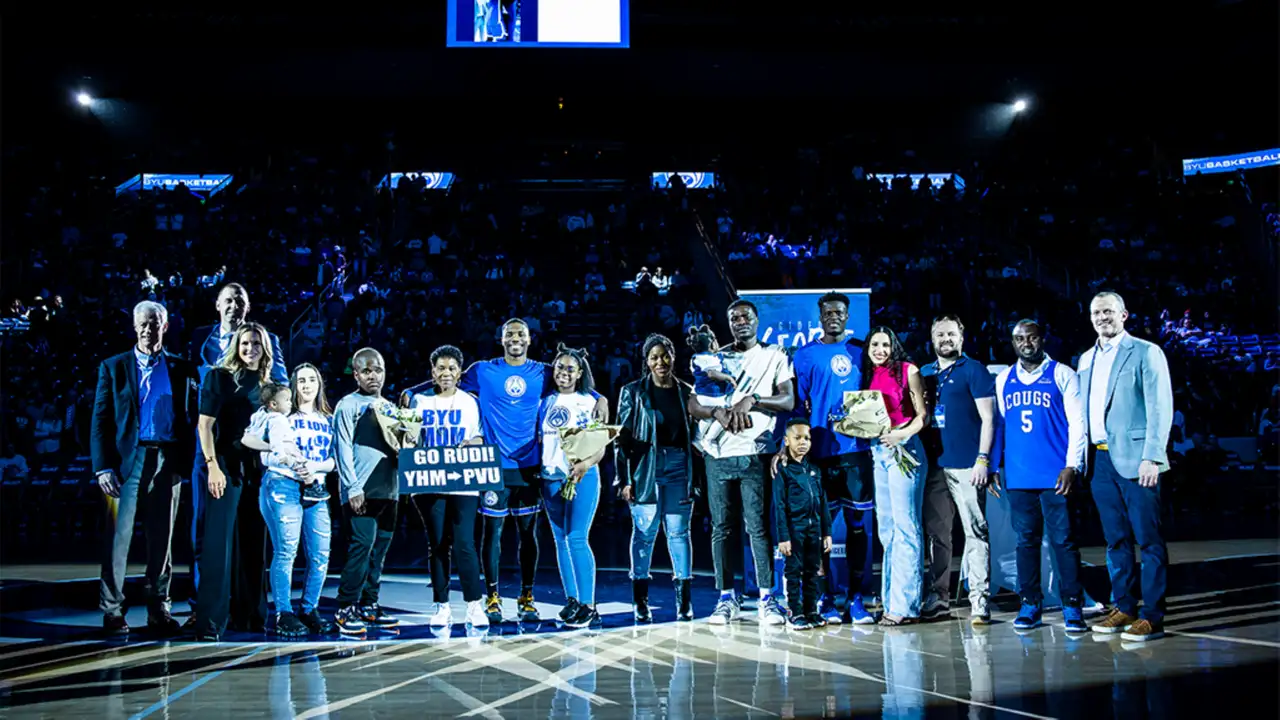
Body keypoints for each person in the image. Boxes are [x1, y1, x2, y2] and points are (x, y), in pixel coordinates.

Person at [91, 301, 199, 635]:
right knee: (117, 539)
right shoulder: (113, 367)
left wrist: (184, 463)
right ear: (134, 326)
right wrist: (102, 467)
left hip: (167, 460)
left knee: (162, 539)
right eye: (143, 323)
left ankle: (159, 609)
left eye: (155, 323)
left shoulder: (183, 368)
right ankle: (112, 610)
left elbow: (191, 419)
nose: (149, 329)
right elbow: (101, 419)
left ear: (165, 326)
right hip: (127, 461)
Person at [687, 300, 795, 626]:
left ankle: (767, 599)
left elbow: (788, 400)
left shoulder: (774, 356)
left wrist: (755, 399)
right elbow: (694, 403)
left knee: (758, 528)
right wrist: (716, 412)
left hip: (756, 451)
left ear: (757, 320)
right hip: (718, 452)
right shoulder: (714, 358)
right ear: (728, 323)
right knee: (721, 528)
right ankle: (726, 599)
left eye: (746, 316)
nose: (740, 322)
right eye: (734, 318)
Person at [1078, 292, 1173, 642]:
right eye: (1096, 312)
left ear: (1124, 315)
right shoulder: (1086, 359)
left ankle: (1152, 614)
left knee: (1148, 539)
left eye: (1108, 311)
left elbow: (1160, 407)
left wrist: (1154, 455)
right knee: (1115, 539)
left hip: (1138, 459)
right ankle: (1124, 606)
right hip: (1100, 459)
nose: (1102, 317)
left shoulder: (1146, 352)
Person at [188, 283, 286, 622]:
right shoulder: (217, 377)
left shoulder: (269, 385)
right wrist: (213, 466)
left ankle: (252, 615)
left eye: (256, 344)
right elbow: (204, 426)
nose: (251, 348)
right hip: (224, 465)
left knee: (254, 543)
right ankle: (211, 617)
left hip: (258, 470)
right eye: (245, 343)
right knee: (217, 543)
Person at [778, 292, 876, 625]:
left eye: (840, 312)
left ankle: (857, 598)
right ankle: (825, 598)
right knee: (818, 530)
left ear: (848, 317)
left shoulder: (861, 353)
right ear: (820, 316)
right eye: (828, 311)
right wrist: (787, 445)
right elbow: (798, 406)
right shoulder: (804, 356)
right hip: (820, 454)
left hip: (856, 453)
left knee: (858, 529)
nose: (834, 316)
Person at [455, 319, 559, 624]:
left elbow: (574, 381)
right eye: (510, 333)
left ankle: (527, 597)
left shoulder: (543, 371)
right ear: (501, 339)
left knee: (529, 534)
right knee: (493, 533)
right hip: (493, 463)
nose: (515, 338)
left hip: (528, 466)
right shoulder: (482, 370)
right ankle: (493, 598)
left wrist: (599, 398)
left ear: (529, 339)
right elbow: (446, 383)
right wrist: (413, 390)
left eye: (521, 334)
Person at [995, 320, 1089, 634]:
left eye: (1031, 337)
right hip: (1020, 476)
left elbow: (1078, 423)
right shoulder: (1005, 378)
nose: (1025, 343)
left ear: (1042, 339)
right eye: (1019, 338)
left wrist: (1072, 465)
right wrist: (996, 465)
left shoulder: (1063, 374)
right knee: (1026, 543)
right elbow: (1001, 426)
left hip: (1056, 475)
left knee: (1063, 541)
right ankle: (1030, 603)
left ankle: (1072, 605)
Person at [244, 367, 337, 638]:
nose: (307, 385)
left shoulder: (328, 419)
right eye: (301, 380)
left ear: (320, 384)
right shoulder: (277, 414)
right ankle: (284, 614)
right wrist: (292, 464)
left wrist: (313, 466)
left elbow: (334, 461)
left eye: (312, 379)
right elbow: (262, 451)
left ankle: (310, 610)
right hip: (283, 485)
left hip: (316, 487)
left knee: (321, 554)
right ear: (293, 385)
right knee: (286, 551)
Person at [920, 315, 996, 624]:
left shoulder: (975, 370)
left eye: (951, 333)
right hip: (935, 467)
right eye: (940, 334)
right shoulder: (924, 373)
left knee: (975, 532)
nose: (946, 339)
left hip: (968, 466)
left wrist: (983, 460)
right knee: (938, 535)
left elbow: (990, 419)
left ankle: (979, 600)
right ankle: (940, 597)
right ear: (932, 338)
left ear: (961, 338)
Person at [616, 334, 696, 623]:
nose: (660, 362)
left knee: (678, 533)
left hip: (678, 466)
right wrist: (624, 478)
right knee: (645, 533)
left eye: (665, 356)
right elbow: (621, 439)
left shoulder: (687, 391)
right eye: (654, 357)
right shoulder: (633, 392)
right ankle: (640, 602)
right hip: (645, 468)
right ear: (646, 361)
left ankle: (684, 602)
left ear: (673, 357)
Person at [408, 345, 490, 629]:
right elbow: (410, 439)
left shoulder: (470, 402)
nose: (446, 373)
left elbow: (479, 437)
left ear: (459, 373)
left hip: (463, 480)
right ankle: (441, 606)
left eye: (452, 368)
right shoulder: (418, 401)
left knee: (465, 543)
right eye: (440, 368)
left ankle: (473, 605)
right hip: (429, 481)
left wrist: (471, 444)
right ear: (432, 372)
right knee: (438, 544)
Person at [538, 344, 608, 629]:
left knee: (577, 538)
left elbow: (601, 445)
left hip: (581, 476)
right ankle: (573, 600)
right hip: (550, 478)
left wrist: (584, 465)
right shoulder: (545, 401)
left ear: (580, 373)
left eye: (570, 368)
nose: (563, 372)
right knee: (561, 541)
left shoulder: (590, 402)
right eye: (559, 367)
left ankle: (589, 606)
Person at [863, 326, 928, 626]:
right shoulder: (868, 375)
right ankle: (891, 601)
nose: (880, 350)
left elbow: (922, 416)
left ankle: (906, 606)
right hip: (879, 452)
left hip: (905, 451)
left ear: (894, 346)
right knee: (887, 529)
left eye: (885, 344)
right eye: (875, 344)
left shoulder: (908, 370)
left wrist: (901, 435)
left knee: (906, 528)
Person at [333, 348, 401, 635]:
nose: (374, 375)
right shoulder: (348, 405)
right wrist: (352, 486)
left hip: (390, 489)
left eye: (379, 370)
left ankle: (369, 604)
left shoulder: (391, 407)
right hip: (362, 488)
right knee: (361, 546)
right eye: (367, 370)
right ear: (357, 374)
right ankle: (345, 607)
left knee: (380, 551)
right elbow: (342, 447)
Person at [773, 419, 833, 630]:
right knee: (793, 571)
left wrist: (827, 532)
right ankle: (795, 611)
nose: (803, 442)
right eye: (797, 438)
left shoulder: (814, 470)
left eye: (806, 438)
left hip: (814, 529)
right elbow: (779, 506)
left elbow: (823, 501)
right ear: (786, 440)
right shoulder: (784, 471)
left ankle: (811, 610)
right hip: (794, 530)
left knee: (812, 570)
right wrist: (783, 536)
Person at [687, 325, 736, 408]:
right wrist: (729, 378)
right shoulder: (703, 358)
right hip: (711, 394)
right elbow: (712, 373)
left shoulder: (711, 356)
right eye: (715, 339)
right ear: (711, 344)